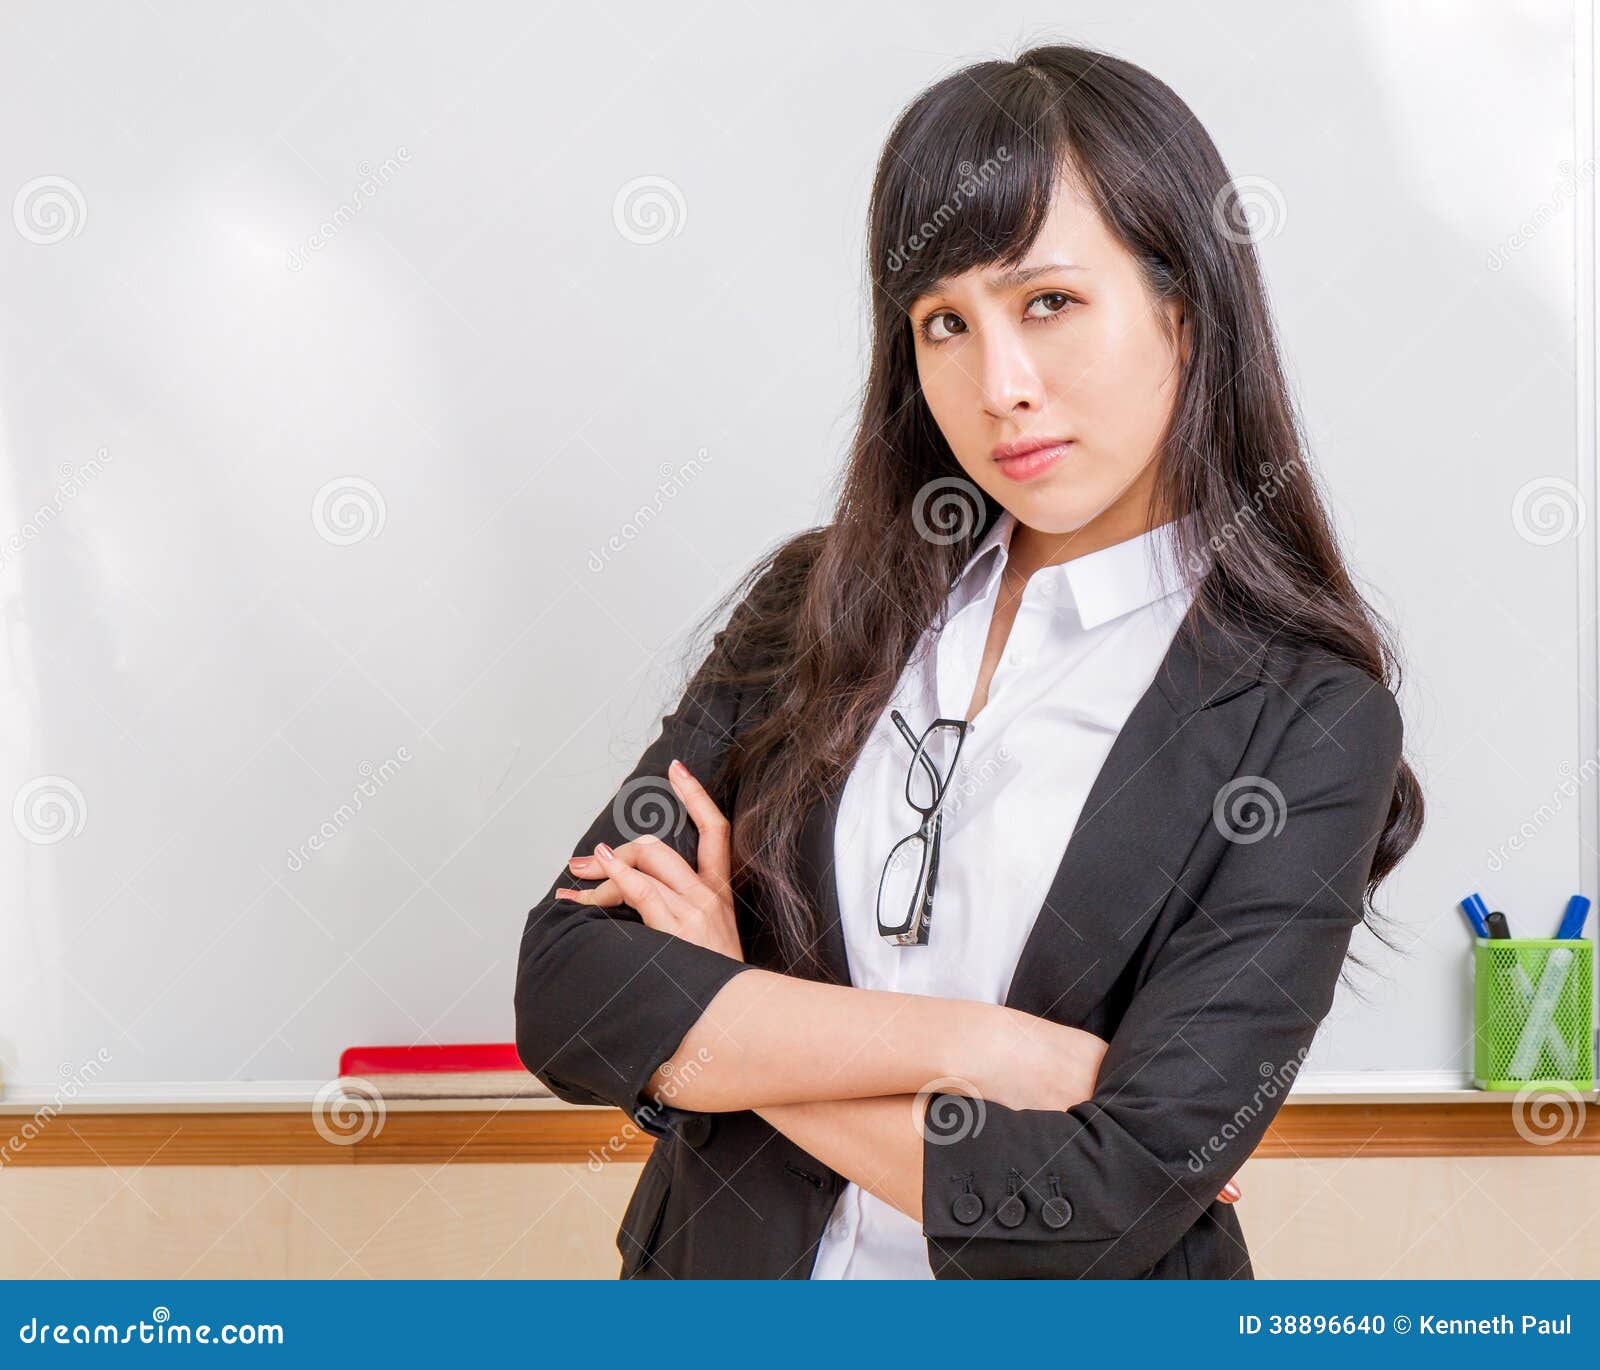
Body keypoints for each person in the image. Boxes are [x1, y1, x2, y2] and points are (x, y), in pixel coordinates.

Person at [514, 41, 1423, 1280]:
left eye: (1047, 301)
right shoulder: (813, 603)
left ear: (1185, 309)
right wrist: (979, 1046)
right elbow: (569, 985)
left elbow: (1103, 1203)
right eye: (944, 321)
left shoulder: (1307, 720)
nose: (999, 385)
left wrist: (730, 1014)